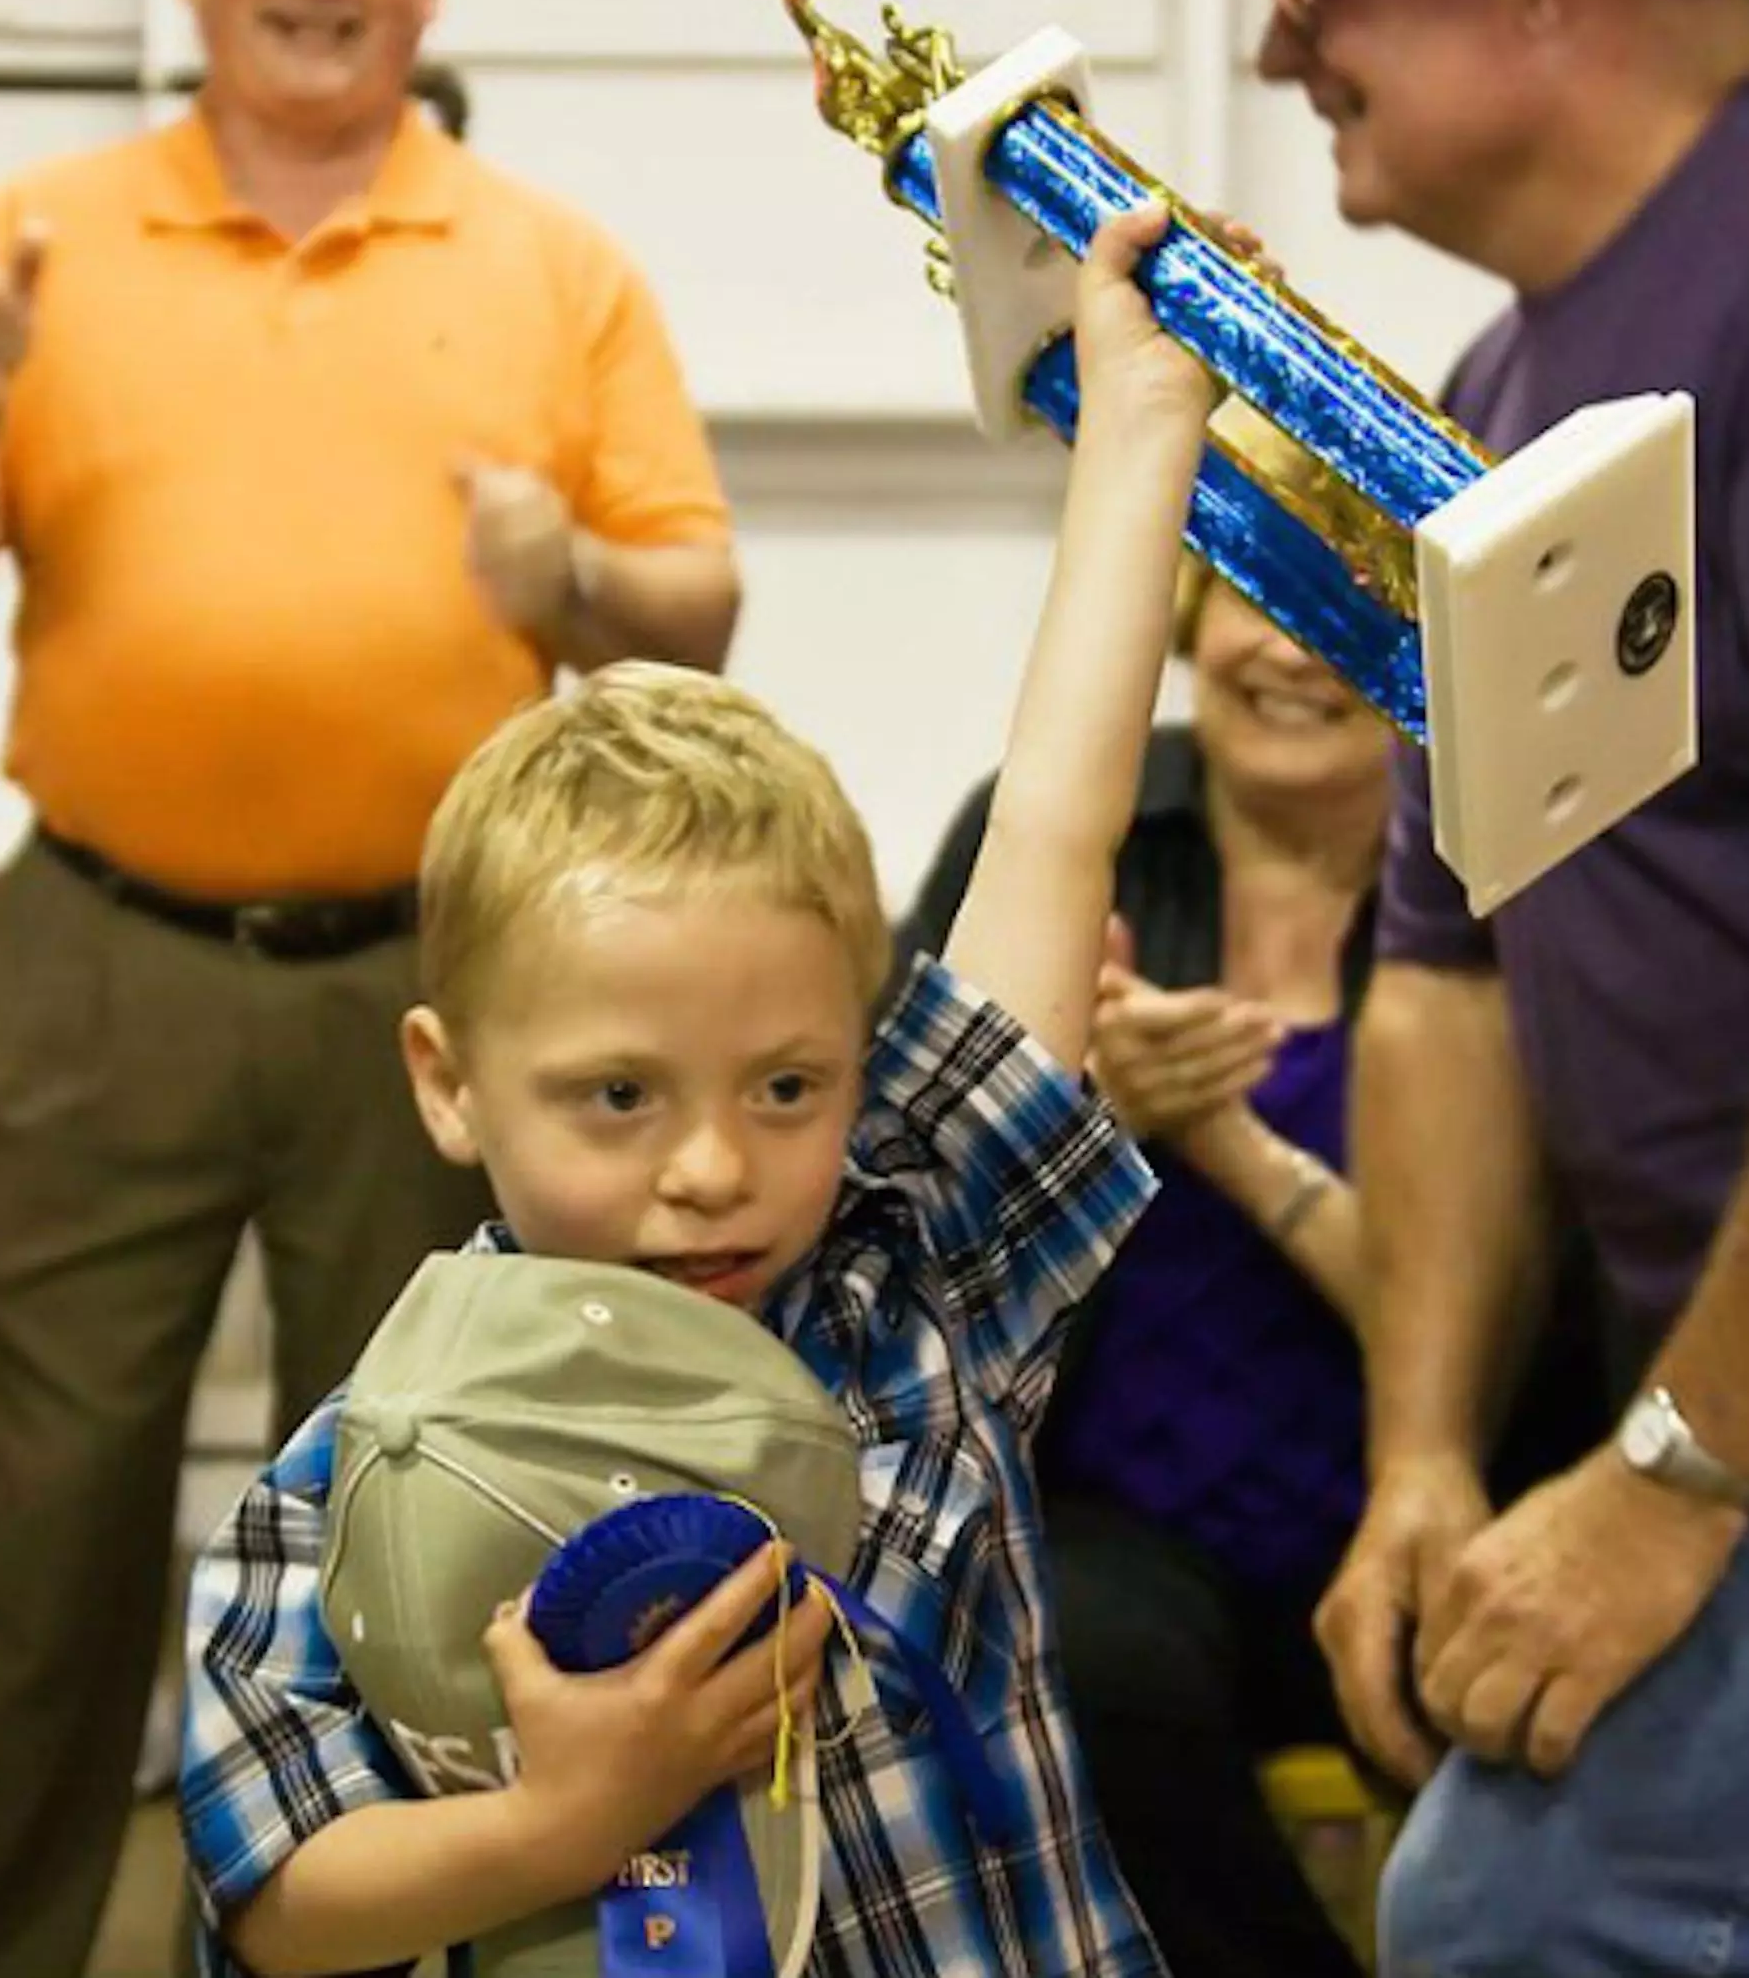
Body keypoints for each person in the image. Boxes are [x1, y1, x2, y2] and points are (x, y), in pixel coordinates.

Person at [0, 0, 737, 1973]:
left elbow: (690, 604)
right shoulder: (42, 238)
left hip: (434, 993)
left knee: (409, 1518)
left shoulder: (547, 259)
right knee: (48, 1514)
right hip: (99, 961)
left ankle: (341, 1949)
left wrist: (571, 584)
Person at [179, 199, 1212, 1978]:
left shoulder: (926, 1272)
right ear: (449, 1085)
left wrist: (1138, 421)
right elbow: (272, 1894)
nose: (716, 1169)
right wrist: (554, 1831)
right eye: (616, 1099)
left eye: (792, 1084)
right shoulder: (356, 1474)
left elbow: (1053, 824)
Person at [1080, 0, 1749, 1973]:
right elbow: (1449, 970)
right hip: (1723, 1391)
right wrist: (1418, 1465)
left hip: (1739, 1422)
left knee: (1515, 1914)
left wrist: (1675, 1472)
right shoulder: (1503, 390)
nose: (1283, 48)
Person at [898, 562, 1387, 1978]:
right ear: (1192, 613)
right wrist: (1080, 1110)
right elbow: (900, 1223)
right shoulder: (1056, 839)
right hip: (1114, 1519)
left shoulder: (1492, 888)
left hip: (1414, 1504)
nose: (1296, 650)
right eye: (1263, 595)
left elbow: (1508, 1313)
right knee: (1076, 1663)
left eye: (1352, 607)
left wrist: (1222, 1141)